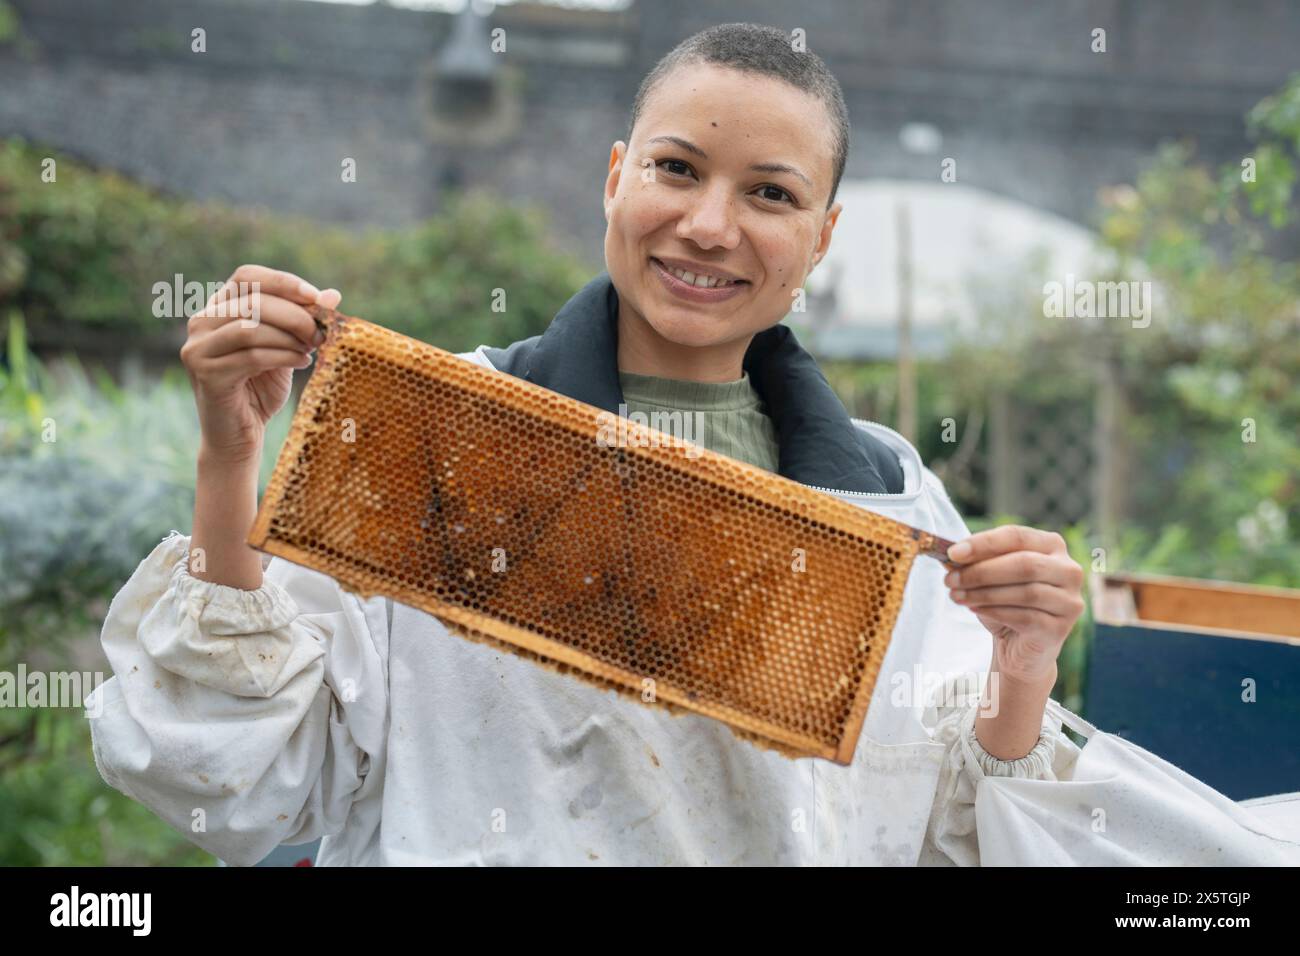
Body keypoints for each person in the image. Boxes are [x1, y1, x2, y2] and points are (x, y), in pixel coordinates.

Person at [88, 22, 1085, 866]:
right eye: (676, 169)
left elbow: (948, 830)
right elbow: (246, 773)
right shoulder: (446, 434)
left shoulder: (882, 494)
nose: (706, 224)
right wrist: (230, 455)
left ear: (821, 236)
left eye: (769, 195)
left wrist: (1024, 662)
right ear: (617, 177)